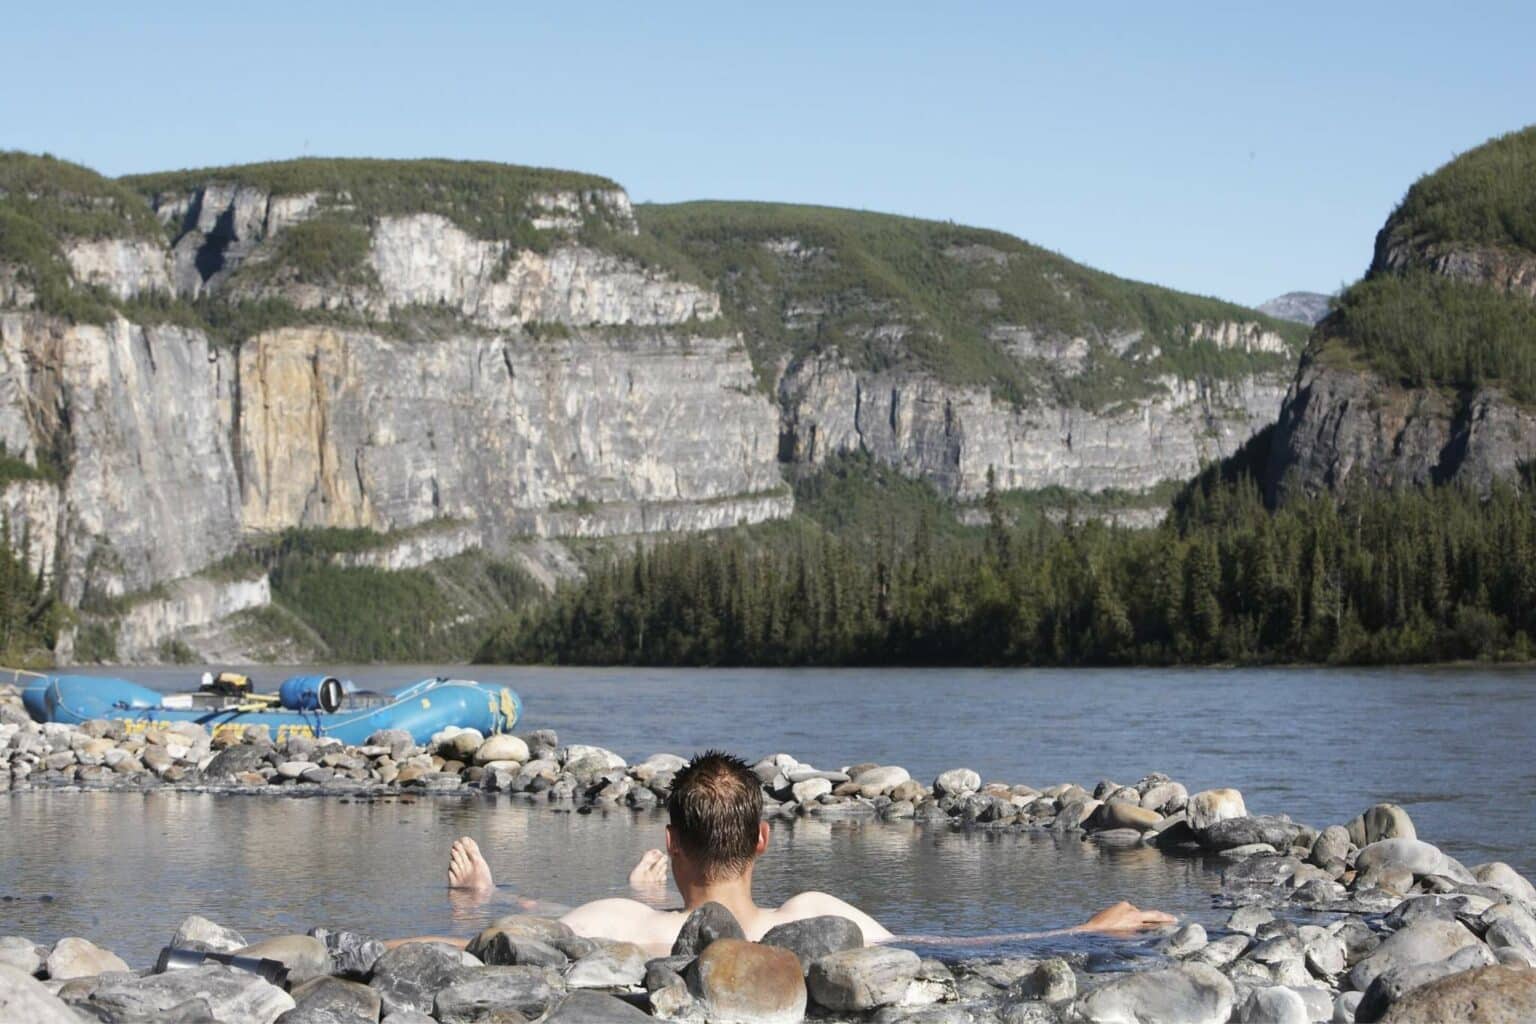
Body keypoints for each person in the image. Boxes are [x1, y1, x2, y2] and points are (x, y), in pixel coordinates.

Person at [441, 750, 1174, 954]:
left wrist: (475, 910)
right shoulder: (812, 915)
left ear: (671, 842)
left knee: (544, 910)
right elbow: (948, 948)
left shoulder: (624, 924)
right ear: (763, 839)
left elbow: (489, 947)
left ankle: (489, 890)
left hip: (650, 920)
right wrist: (1087, 929)